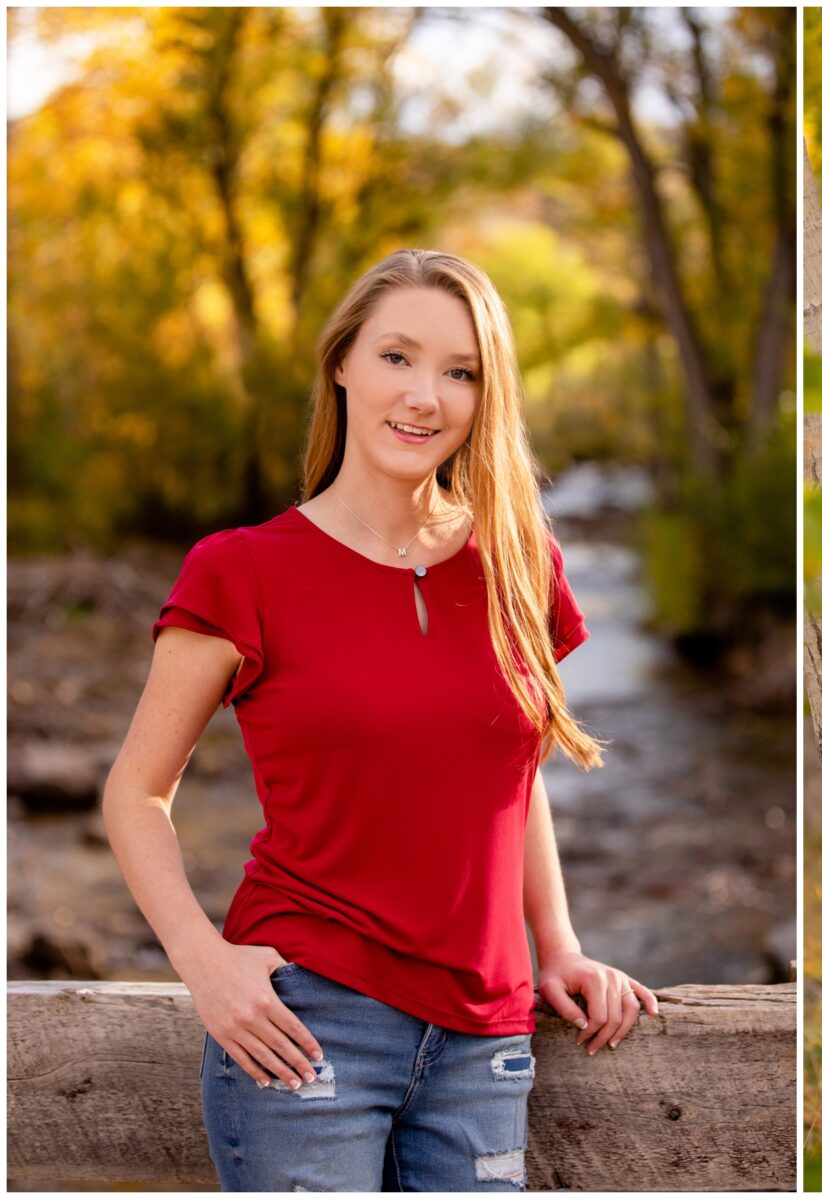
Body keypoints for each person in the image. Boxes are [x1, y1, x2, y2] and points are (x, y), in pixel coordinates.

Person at [103, 249, 657, 1192]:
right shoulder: (242, 571)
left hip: (488, 1039)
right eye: (397, 356)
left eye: (461, 371)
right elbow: (135, 793)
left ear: (488, 396)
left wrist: (557, 942)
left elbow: (506, 780)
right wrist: (205, 964)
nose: (425, 396)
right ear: (343, 364)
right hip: (309, 1025)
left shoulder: (518, 563)